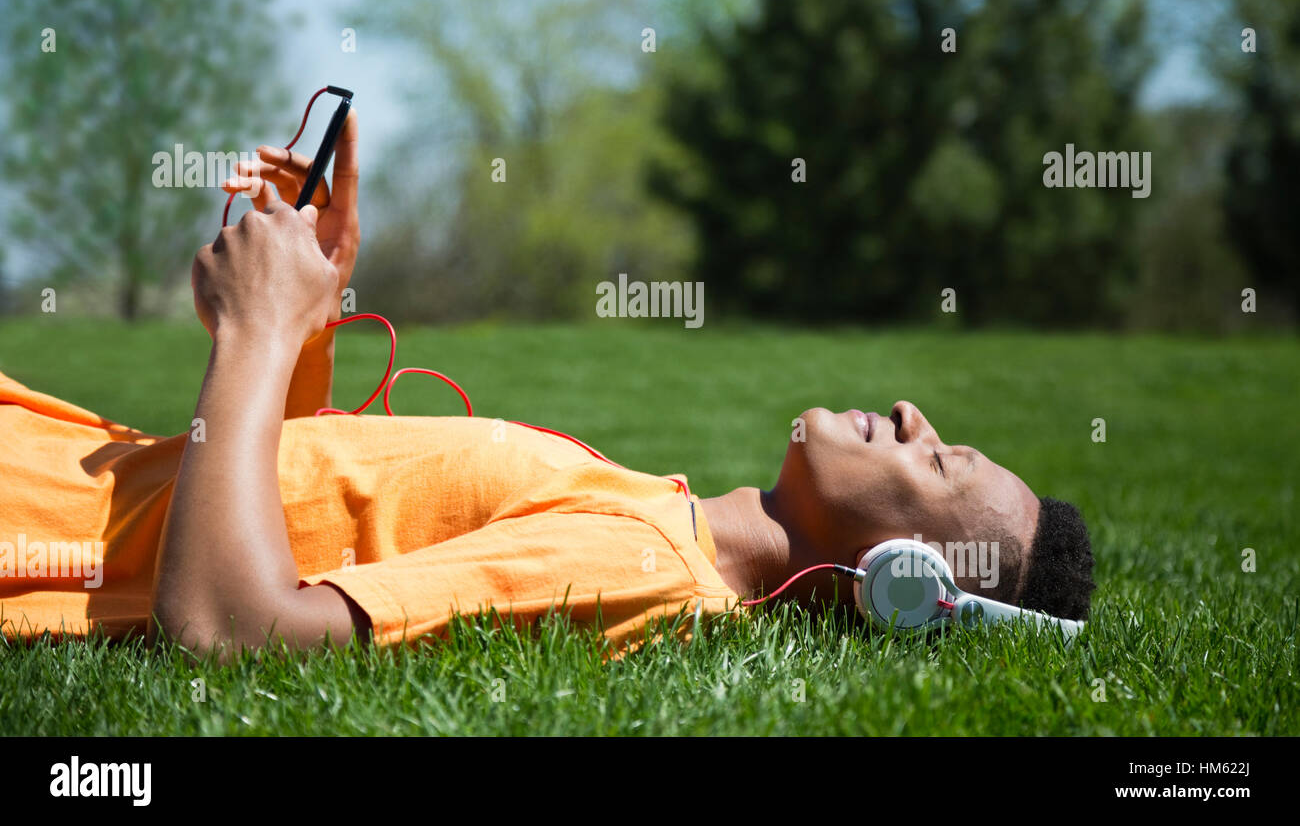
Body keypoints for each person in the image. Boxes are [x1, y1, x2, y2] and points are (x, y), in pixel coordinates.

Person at [0, 112, 1095, 661]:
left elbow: (234, 626)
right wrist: (309, 316)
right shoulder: (656, 517)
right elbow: (305, 502)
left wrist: (249, 333)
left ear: (904, 580)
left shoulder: (643, 567)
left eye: (940, 460)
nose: (914, 417)